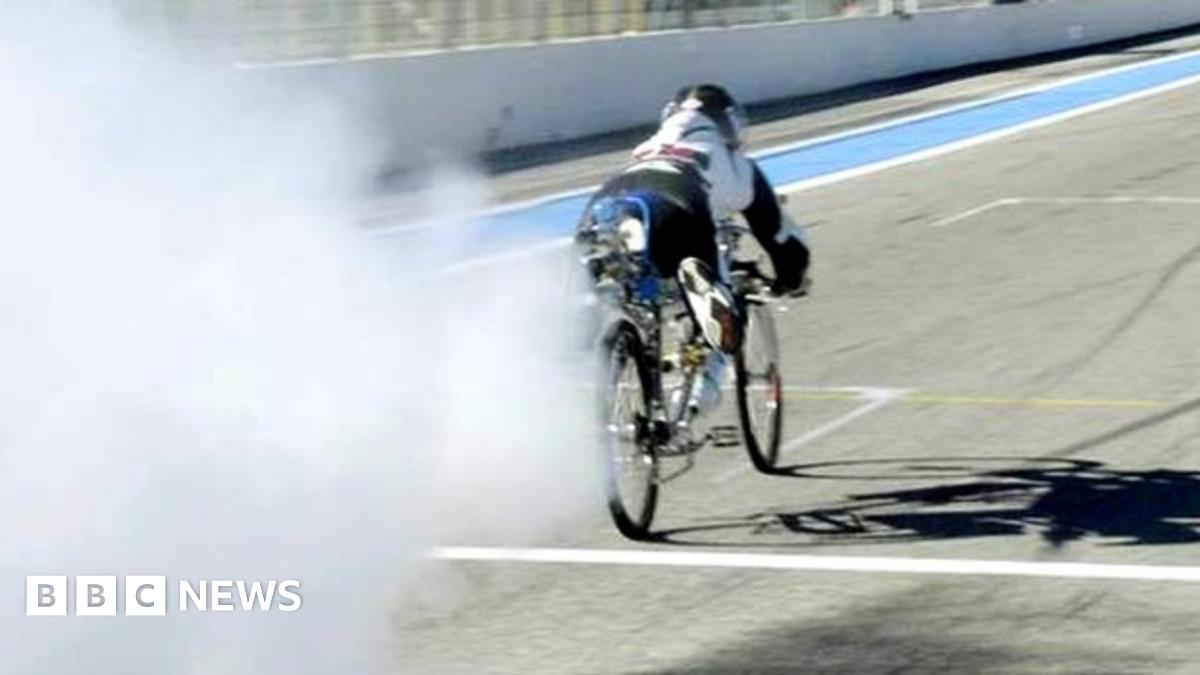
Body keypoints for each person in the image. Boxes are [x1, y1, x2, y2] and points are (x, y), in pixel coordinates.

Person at [580, 83, 811, 416]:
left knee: (602, 295)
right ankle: (691, 404)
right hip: (681, 207)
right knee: (719, 320)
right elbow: (779, 235)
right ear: (729, 125)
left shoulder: (648, 147)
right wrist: (792, 278)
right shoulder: (733, 162)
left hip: (610, 201)